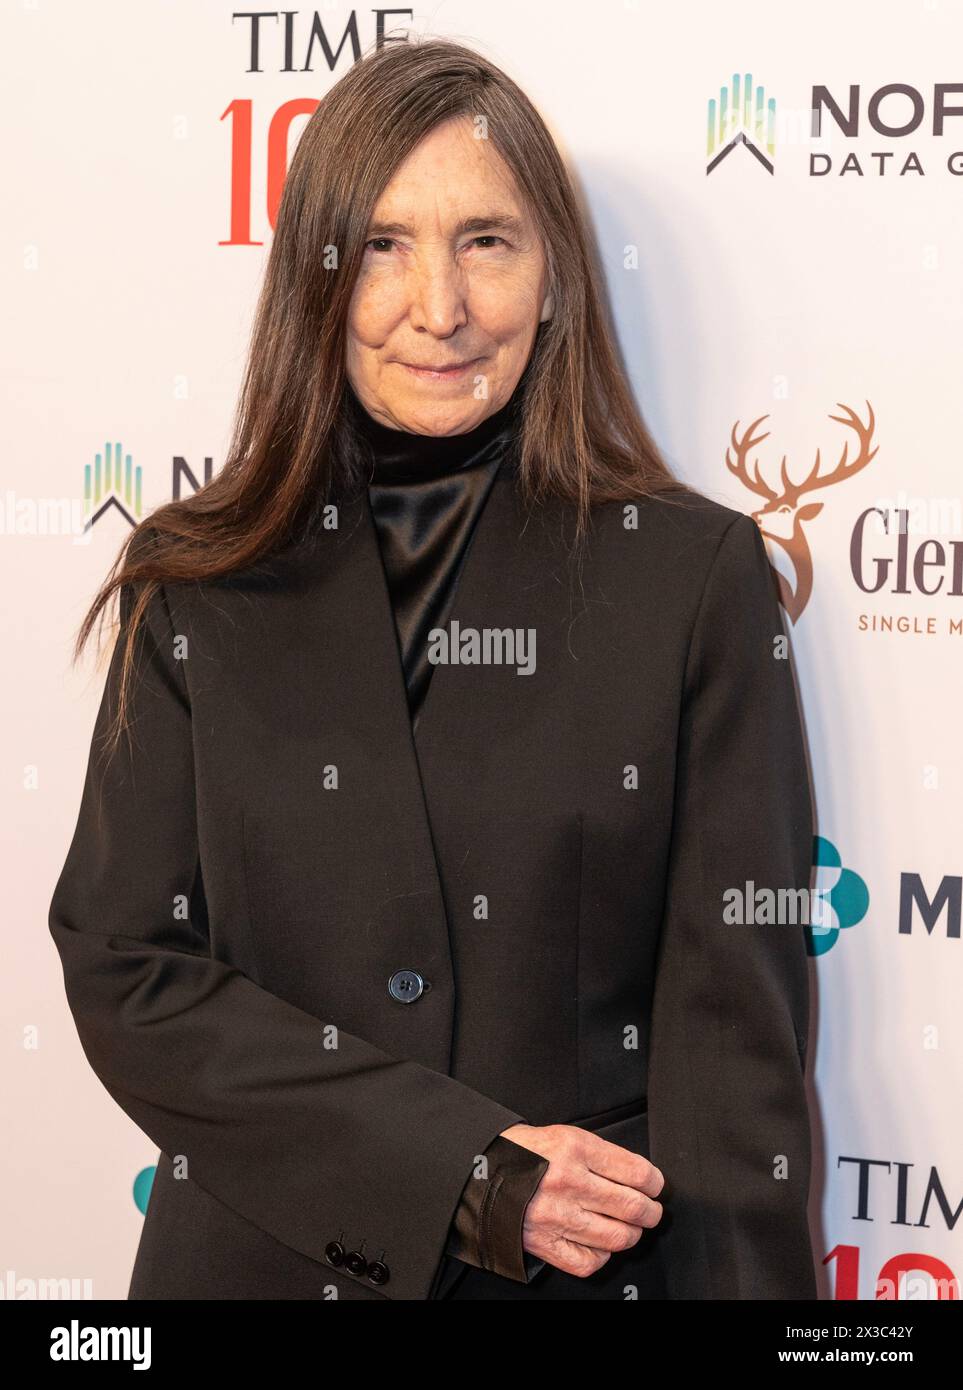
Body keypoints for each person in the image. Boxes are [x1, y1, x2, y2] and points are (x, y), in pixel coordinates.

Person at [48, 36, 817, 1301]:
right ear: (317, 278)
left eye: (487, 242)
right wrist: (461, 1173)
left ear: (556, 276)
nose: (438, 308)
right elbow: (128, 967)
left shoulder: (693, 581)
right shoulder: (193, 579)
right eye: (386, 246)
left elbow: (735, 1063)